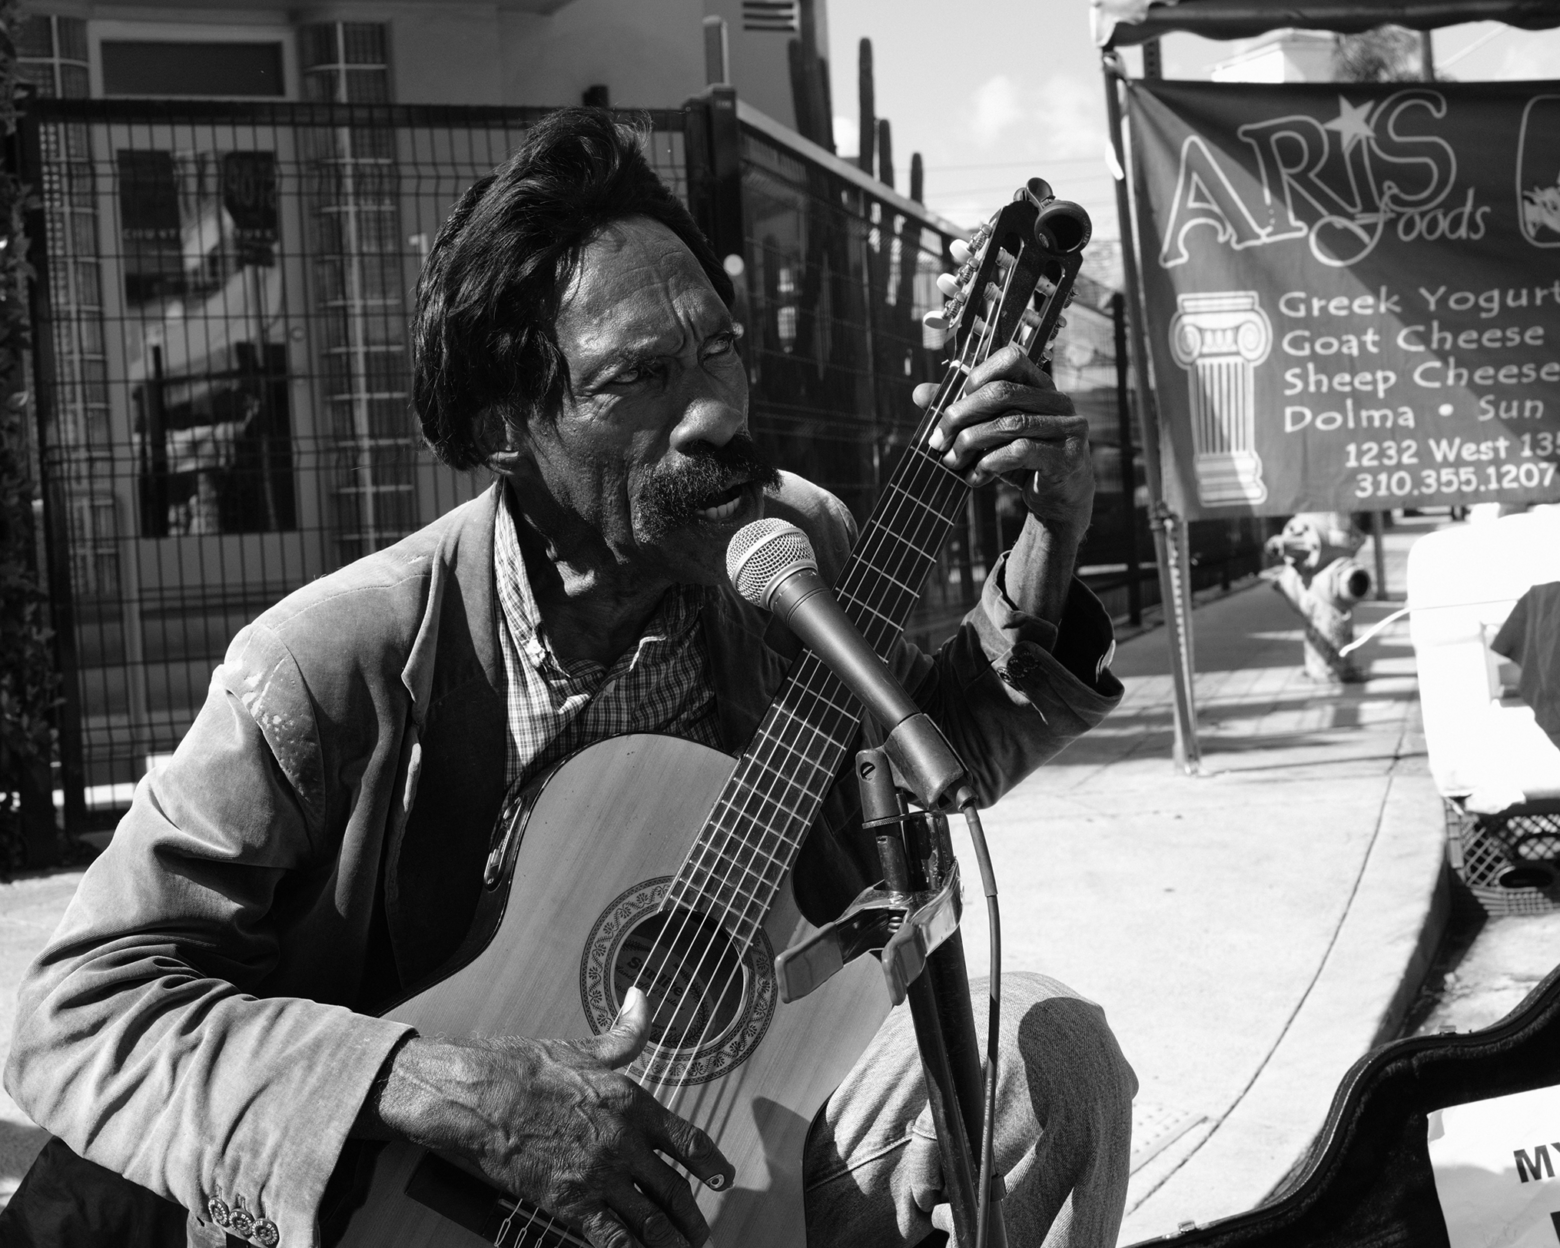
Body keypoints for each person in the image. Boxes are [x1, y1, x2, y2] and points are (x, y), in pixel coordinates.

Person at [5, 110, 1133, 1248]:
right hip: (432, 1205)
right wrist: (451, 1089)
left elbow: (928, 760)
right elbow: (77, 1012)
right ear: (507, 429)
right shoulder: (325, 670)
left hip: (738, 1145)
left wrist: (1048, 537)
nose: (717, 414)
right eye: (638, 377)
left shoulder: (793, 547)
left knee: (1057, 1060)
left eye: (720, 348)